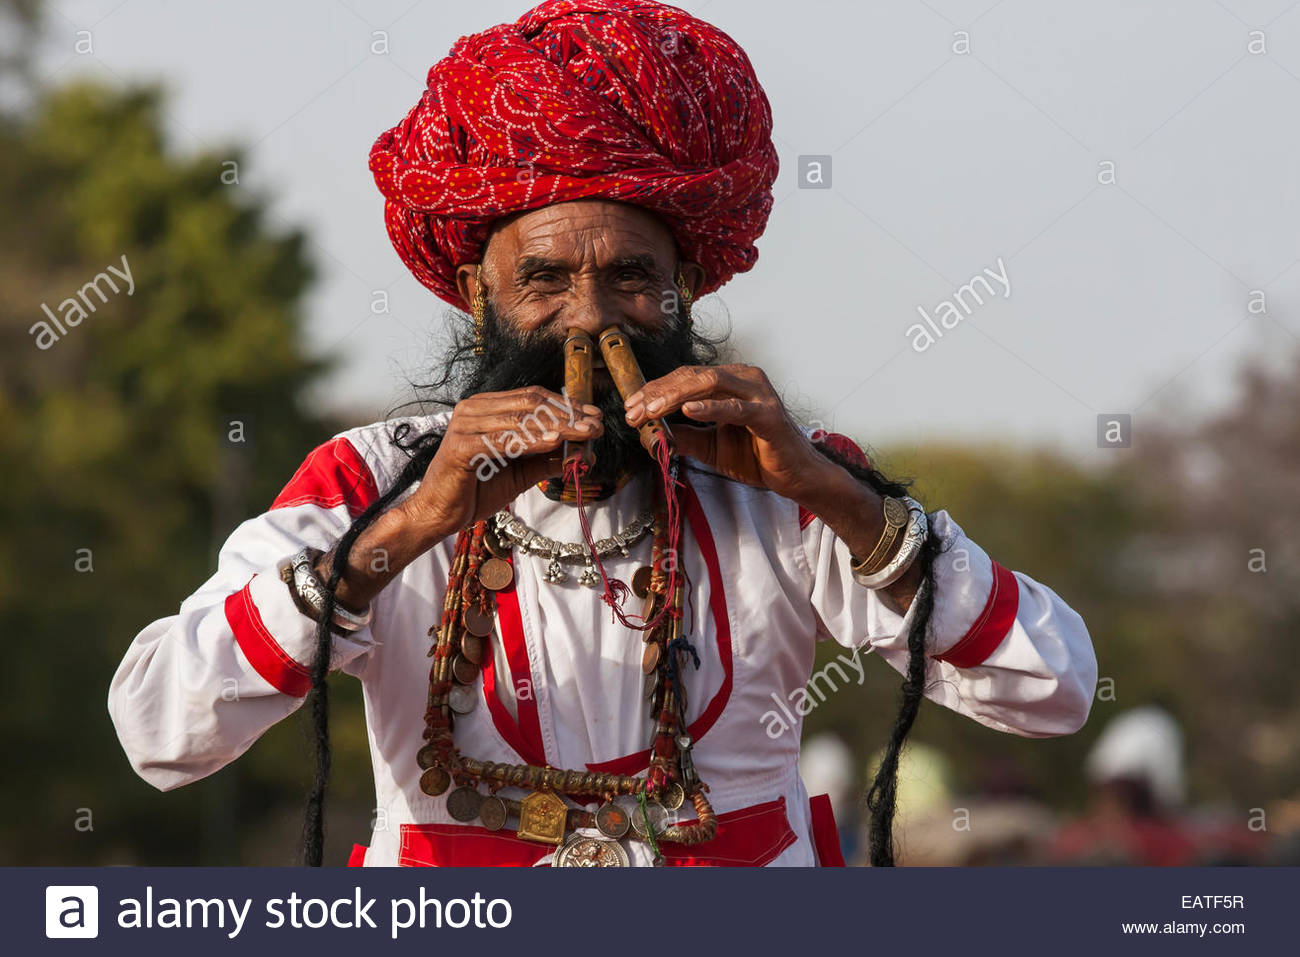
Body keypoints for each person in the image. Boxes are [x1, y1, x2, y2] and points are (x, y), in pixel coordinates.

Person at [108, 0, 1097, 867]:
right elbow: (160, 733)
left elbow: (1053, 691)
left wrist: (836, 498)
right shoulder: (371, 479)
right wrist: (405, 533)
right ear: (476, 295)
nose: (589, 320)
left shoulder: (784, 478)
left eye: (629, 277)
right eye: (543, 280)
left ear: (686, 288)